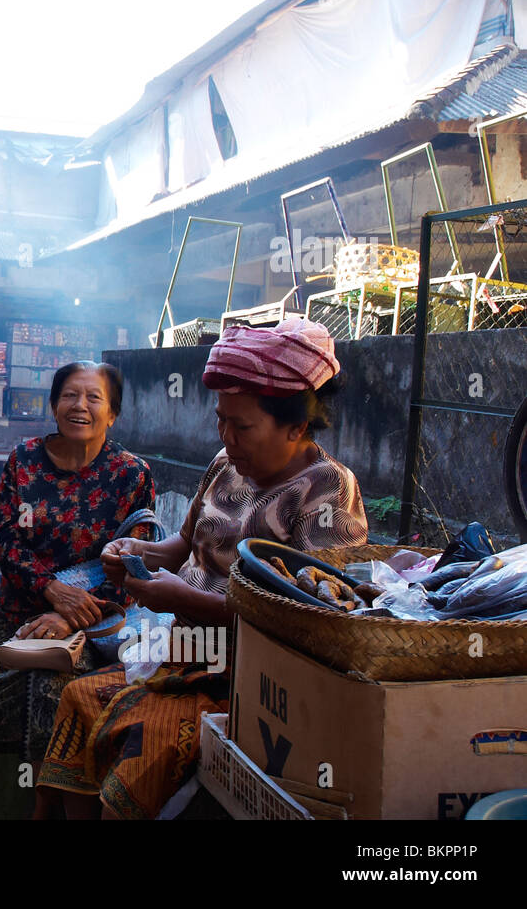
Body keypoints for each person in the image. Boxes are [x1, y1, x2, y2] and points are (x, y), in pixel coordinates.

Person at [38, 318, 369, 819]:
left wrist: (183, 601)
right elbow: (184, 545)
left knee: (140, 747)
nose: (227, 437)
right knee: (77, 701)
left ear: (297, 427)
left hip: (242, 679)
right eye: (222, 421)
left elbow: (312, 622)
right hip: (182, 654)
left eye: (243, 426)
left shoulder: (327, 492)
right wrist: (135, 552)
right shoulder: (225, 464)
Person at [0, 361, 155, 819]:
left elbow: (133, 562)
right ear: (53, 404)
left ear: (113, 414)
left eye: (93, 398)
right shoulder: (24, 461)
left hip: (92, 624)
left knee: (61, 715)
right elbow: (5, 540)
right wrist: (51, 591)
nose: (79, 406)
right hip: (17, 614)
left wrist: (68, 615)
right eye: (69, 395)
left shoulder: (131, 476)